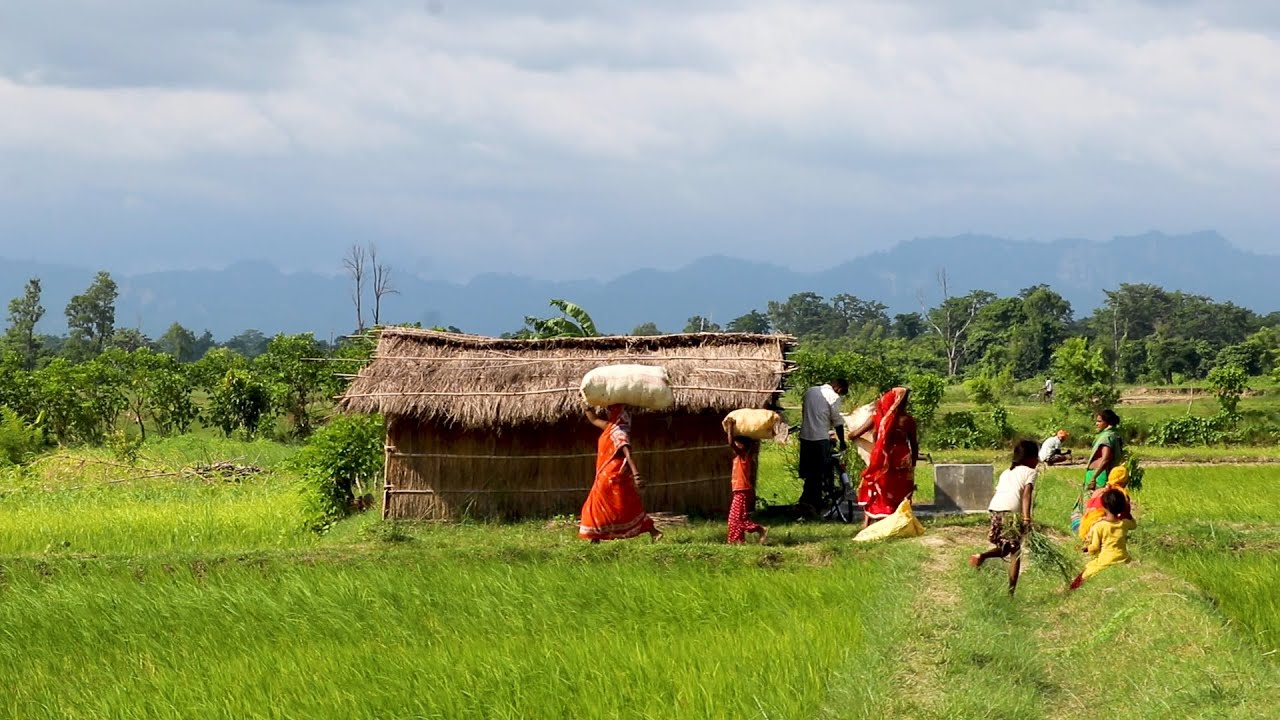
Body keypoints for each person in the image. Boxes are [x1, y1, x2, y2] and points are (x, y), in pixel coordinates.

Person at [578, 405, 662, 543]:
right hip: (613, 474)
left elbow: (628, 455)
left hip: (611, 475)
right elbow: (593, 420)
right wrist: (586, 405)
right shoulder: (611, 427)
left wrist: (636, 475)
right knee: (627, 503)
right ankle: (653, 531)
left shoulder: (619, 432)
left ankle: (595, 537)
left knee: (598, 504)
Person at [849, 387, 918, 526]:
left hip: (881, 457)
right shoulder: (908, 420)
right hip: (902, 458)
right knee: (901, 487)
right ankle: (900, 518)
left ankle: (868, 520)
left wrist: (848, 435)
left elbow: (855, 434)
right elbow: (914, 443)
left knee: (877, 484)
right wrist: (914, 461)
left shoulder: (877, 417)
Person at [971, 439, 1038, 568]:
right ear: (1029, 458)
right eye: (1036, 457)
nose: (1038, 460)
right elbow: (1026, 495)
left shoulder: (1007, 472)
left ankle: (981, 556)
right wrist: (1026, 518)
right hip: (1010, 511)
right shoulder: (1031, 472)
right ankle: (1012, 588)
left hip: (995, 508)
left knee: (1006, 547)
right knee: (1015, 551)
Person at [1070, 487, 1137, 590]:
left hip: (1106, 560)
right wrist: (1127, 513)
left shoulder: (1100, 526)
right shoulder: (1124, 523)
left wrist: (1086, 549)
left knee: (1085, 573)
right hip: (1123, 558)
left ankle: (1071, 590)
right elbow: (1134, 525)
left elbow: (1095, 548)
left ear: (1104, 507)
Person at [797, 378, 848, 511]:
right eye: (842, 392)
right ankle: (814, 502)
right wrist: (842, 442)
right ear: (839, 388)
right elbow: (837, 421)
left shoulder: (810, 391)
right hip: (820, 439)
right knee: (820, 473)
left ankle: (807, 501)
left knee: (809, 473)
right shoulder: (834, 397)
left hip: (805, 437)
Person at [724, 423, 768, 545]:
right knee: (734, 518)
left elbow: (731, 443)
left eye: (738, 444)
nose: (736, 446)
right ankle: (736, 541)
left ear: (743, 446)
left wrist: (730, 429)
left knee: (737, 519)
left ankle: (760, 529)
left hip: (742, 490)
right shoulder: (740, 457)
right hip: (739, 490)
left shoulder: (743, 456)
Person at [1077, 465, 1133, 541]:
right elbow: (1126, 516)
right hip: (1099, 532)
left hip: (1085, 530)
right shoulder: (1120, 495)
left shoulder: (1098, 491)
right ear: (1125, 481)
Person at [1085, 409, 1123, 492]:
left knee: (1096, 502)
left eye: (1099, 421)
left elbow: (1106, 458)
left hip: (1100, 476)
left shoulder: (1107, 437)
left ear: (1108, 423)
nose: (1096, 424)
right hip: (1099, 474)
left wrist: (1094, 477)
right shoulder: (1113, 435)